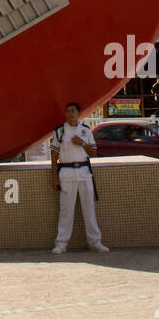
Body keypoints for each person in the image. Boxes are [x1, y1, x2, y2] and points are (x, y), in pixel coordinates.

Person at [50, 101, 109, 254]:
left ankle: (95, 242)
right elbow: (54, 154)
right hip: (66, 172)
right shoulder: (59, 131)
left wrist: (81, 143)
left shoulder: (85, 131)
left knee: (89, 208)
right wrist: (54, 177)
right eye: (68, 111)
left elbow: (94, 153)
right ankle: (61, 243)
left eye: (73, 111)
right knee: (66, 210)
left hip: (83, 171)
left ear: (78, 113)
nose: (70, 113)